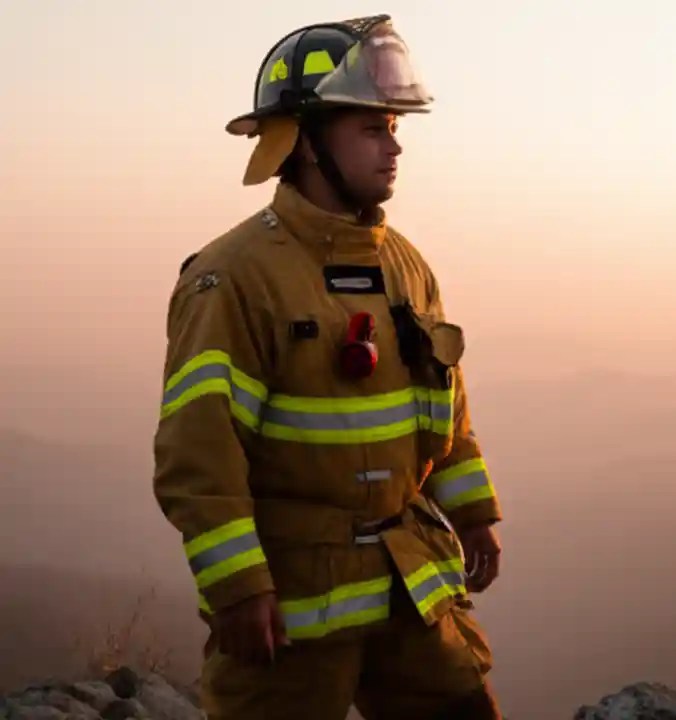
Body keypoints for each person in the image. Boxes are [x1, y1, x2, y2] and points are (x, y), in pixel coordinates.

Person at [151, 14, 505, 719]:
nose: (395, 146)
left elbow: (445, 409)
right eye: (372, 129)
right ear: (308, 143)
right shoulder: (234, 279)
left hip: (409, 587)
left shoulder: (405, 265)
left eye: (394, 127)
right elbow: (200, 454)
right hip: (290, 610)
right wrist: (240, 587)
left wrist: (474, 513)